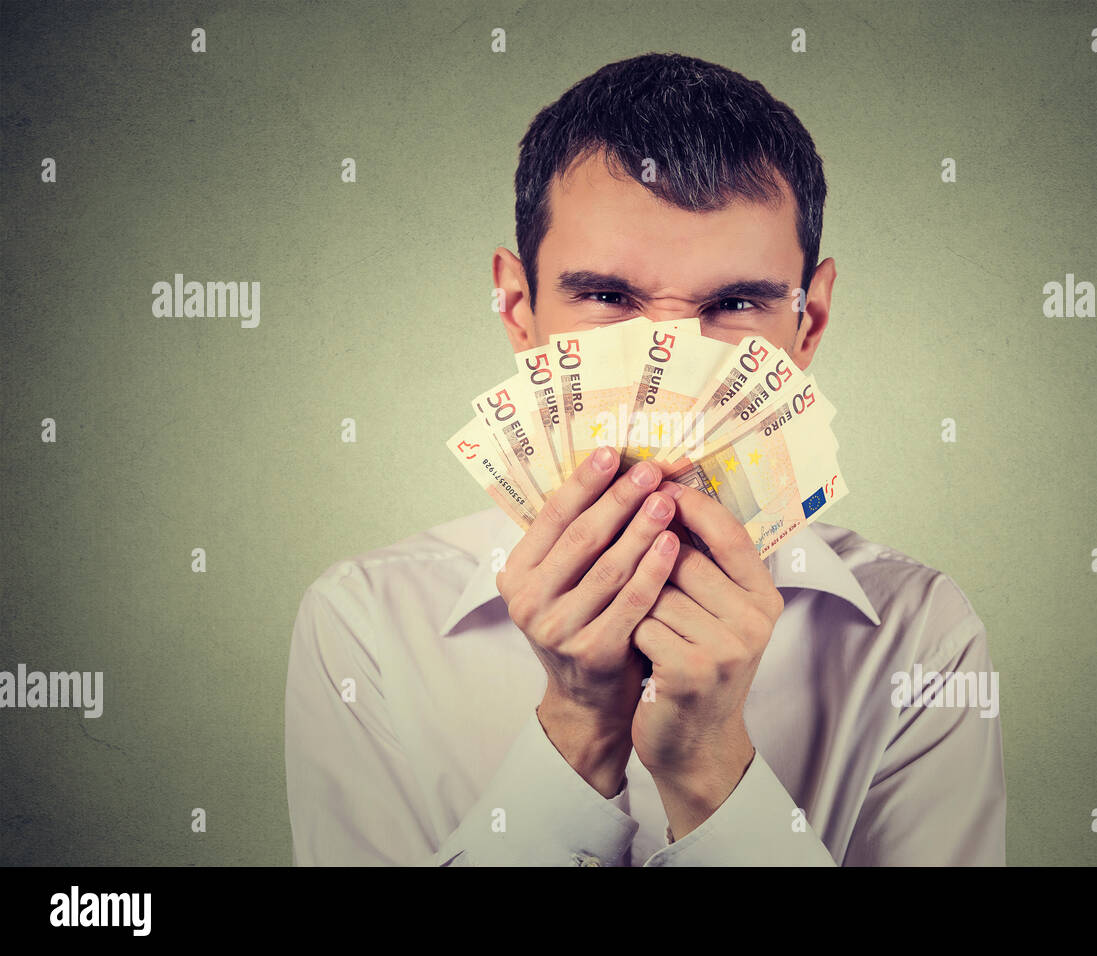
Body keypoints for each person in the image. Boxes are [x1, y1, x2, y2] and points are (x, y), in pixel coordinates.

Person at [285, 52, 1006, 866]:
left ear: (809, 323)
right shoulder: (366, 625)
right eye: (608, 297)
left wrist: (709, 766)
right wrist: (576, 729)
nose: (670, 367)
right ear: (519, 308)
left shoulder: (919, 638)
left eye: (734, 303)